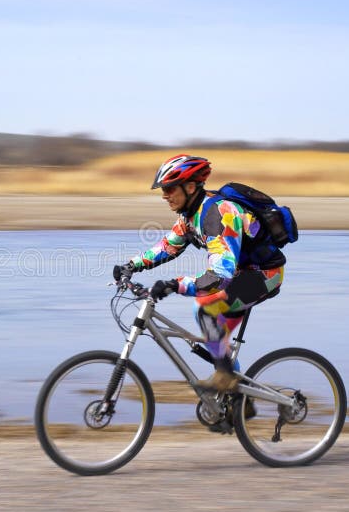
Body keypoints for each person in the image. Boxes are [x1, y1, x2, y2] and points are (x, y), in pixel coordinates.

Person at [113, 154, 285, 392]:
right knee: (218, 346)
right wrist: (130, 265)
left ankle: (226, 379)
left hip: (265, 275)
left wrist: (176, 285)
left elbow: (219, 276)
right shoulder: (190, 214)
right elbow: (168, 246)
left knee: (205, 308)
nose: (164, 195)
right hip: (240, 274)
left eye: (170, 189)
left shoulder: (218, 214)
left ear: (191, 186)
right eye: (164, 189)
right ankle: (239, 399)